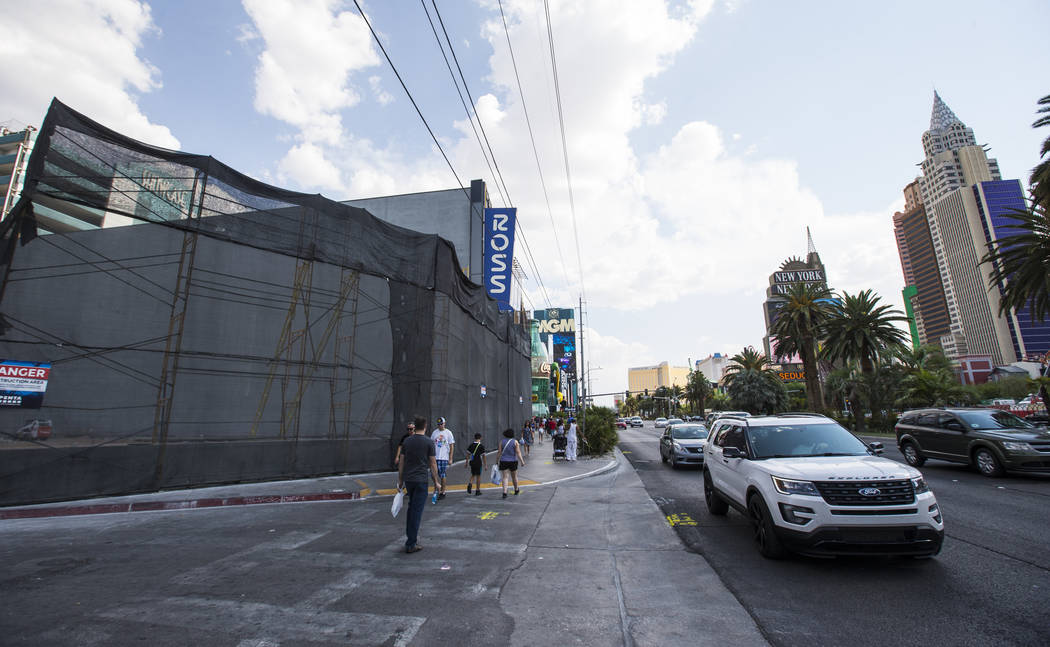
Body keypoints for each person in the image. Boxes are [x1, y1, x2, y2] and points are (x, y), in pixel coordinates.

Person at [398, 416, 441, 554]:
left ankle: (411, 539)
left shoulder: (407, 441)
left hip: (409, 479)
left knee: (411, 509)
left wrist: (400, 480)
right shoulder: (428, 442)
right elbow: (433, 464)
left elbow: (402, 462)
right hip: (421, 480)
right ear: (426, 426)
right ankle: (411, 543)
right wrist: (436, 482)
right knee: (416, 511)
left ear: (414, 427)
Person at [431, 416, 455, 501]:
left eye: (441, 424)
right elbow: (432, 444)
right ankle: (437, 488)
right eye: (439, 424)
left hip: (444, 457)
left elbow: (451, 446)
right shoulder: (434, 433)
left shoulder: (448, 433)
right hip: (435, 457)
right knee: (433, 474)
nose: (440, 425)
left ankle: (443, 491)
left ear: (444, 423)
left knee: (442, 474)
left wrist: (450, 458)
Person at [498, 428, 526, 499]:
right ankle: (516, 489)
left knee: (505, 477)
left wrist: (496, 461)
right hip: (513, 461)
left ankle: (504, 492)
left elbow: (499, 452)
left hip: (503, 461)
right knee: (514, 476)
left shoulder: (502, 442)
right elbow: (518, 452)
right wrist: (522, 461)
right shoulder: (515, 442)